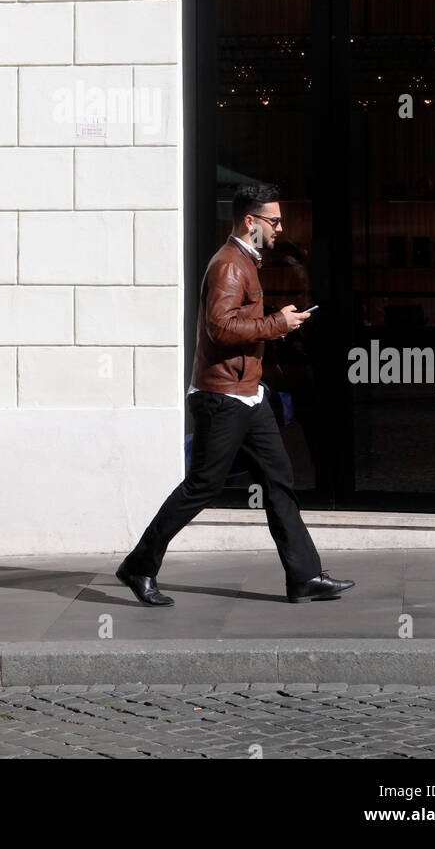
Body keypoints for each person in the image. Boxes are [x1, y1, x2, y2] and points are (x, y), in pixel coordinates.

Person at [116, 181, 355, 607]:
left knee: (279, 482)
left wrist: (274, 327)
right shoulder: (229, 265)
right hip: (222, 396)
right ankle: (139, 565)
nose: (281, 228)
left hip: (249, 394)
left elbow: (237, 323)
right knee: (201, 487)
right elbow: (220, 327)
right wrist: (278, 324)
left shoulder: (247, 261)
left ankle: (304, 577)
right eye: (274, 221)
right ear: (251, 221)